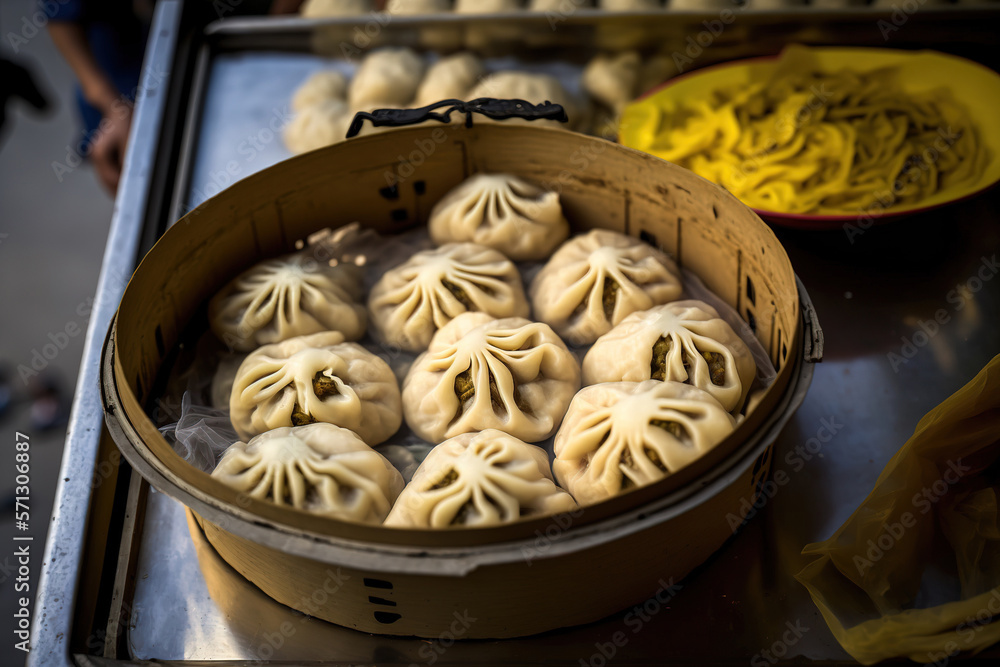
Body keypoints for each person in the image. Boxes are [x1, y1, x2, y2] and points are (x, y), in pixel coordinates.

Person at [46, 0, 152, 194]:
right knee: (140, 189)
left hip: (183, 67)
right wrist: (112, 107)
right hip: (120, 85)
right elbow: (60, 21)